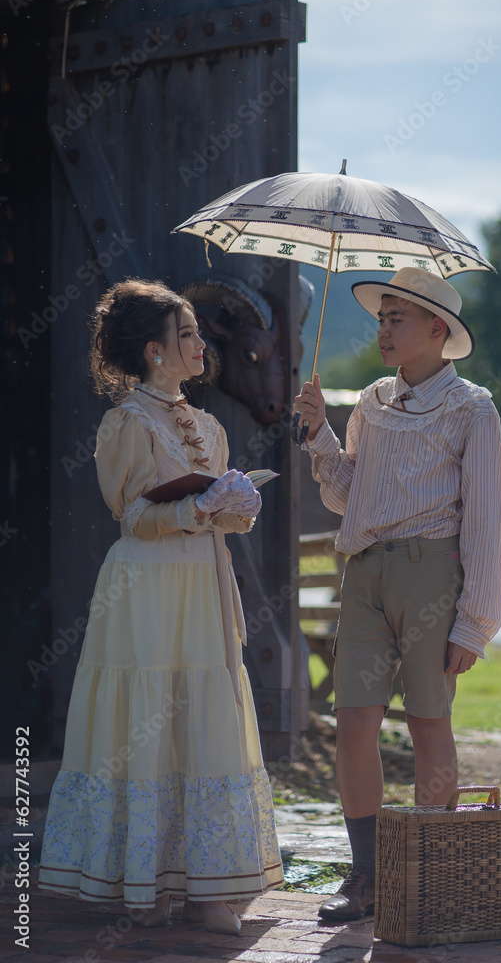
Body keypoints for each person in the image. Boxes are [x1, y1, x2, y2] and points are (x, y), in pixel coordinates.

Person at [39, 278, 283, 934]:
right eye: (187, 335)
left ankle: (207, 888)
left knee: (202, 715)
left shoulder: (208, 426)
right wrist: (197, 505)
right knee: (148, 713)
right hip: (145, 588)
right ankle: (142, 884)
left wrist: (234, 507)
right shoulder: (126, 422)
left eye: (197, 334)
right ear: (152, 351)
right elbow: (134, 515)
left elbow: (214, 517)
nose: (200, 344)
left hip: (201, 585)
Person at [293, 266, 501, 923]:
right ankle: (365, 877)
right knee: (354, 721)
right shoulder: (369, 403)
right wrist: (318, 435)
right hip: (363, 574)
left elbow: (485, 520)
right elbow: (345, 495)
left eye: (396, 319)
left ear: (437, 330)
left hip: (431, 577)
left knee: (425, 721)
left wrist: (474, 623)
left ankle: (431, 875)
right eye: (380, 318)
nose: (383, 330)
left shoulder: (471, 409)